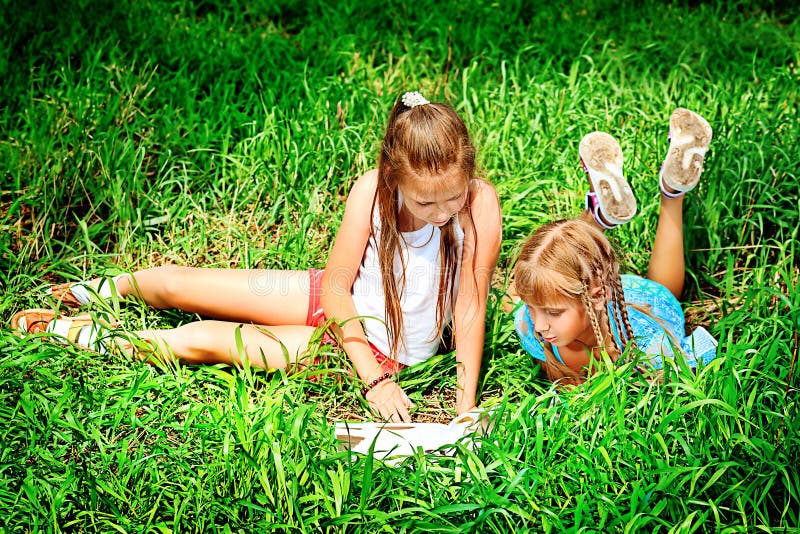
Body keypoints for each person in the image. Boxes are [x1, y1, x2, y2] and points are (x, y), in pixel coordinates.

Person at [11, 91, 503, 421]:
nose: (441, 213)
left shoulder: (480, 205)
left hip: (371, 351)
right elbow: (335, 287)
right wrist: (372, 384)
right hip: (341, 302)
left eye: (451, 198)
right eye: (425, 202)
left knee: (203, 339)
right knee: (179, 283)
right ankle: (91, 291)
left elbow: (470, 305)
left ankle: (70, 332)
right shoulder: (373, 190)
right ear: (396, 178)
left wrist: (463, 410)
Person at [510, 108, 717, 384]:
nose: (539, 325)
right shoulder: (531, 326)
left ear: (596, 297)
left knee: (666, 291)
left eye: (552, 312)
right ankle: (599, 217)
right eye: (533, 308)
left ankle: (672, 192)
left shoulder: (648, 349)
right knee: (512, 299)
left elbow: (702, 350)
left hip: (650, 304)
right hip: (590, 287)